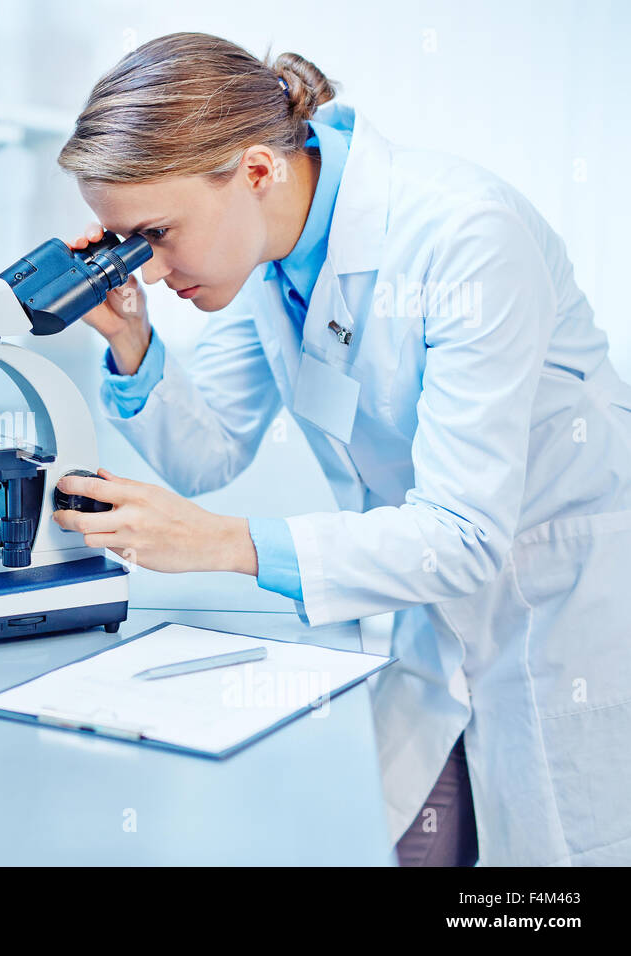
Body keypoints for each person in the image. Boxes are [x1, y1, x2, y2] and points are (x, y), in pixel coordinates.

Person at [49, 32, 631, 866]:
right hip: (427, 621)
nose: (143, 269)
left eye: (155, 235)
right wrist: (135, 343)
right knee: (413, 839)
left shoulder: (465, 236)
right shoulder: (271, 255)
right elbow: (209, 452)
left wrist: (219, 542)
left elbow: (463, 535)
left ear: (255, 171)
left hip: (562, 614)